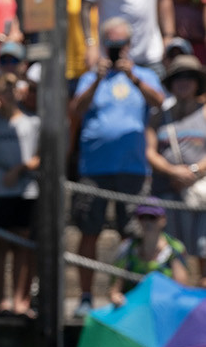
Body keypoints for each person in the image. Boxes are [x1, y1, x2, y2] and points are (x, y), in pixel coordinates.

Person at [71, 17, 166, 315]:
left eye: (120, 44)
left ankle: (128, 295)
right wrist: (98, 79)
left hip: (133, 168)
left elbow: (160, 102)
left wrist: (134, 78)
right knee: (89, 231)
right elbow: (74, 111)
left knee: (133, 234)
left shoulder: (145, 75)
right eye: (110, 44)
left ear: (129, 44)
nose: (115, 50)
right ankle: (86, 297)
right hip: (94, 168)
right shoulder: (90, 77)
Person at [0, 73, 40, 316]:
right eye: (3, 90)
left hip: (25, 191)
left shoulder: (32, 121)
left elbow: (41, 155)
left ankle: (20, 299)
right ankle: (0, 297)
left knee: (23, 245)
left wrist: (20, 169)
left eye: (11, 89)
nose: (8, 94)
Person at [146, 54, 206, 283]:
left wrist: (193, 171)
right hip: (166, 193)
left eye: (189, 77)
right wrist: (173, 172)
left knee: (203, 252)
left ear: (197, 82)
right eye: (178, 77)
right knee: (171, 253)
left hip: (199, 195)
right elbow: (150, 151)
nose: (184, 82)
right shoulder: (159, 115)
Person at [109, 203, 190, 306]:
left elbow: (181, 289)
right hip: (132, 306)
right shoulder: (128, 248)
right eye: (143, 217)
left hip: (164, 306)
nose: (147, 222)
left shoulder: (175, 249)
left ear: (163, 219)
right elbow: (115, 289)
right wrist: (116, 297)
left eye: (152, 217)